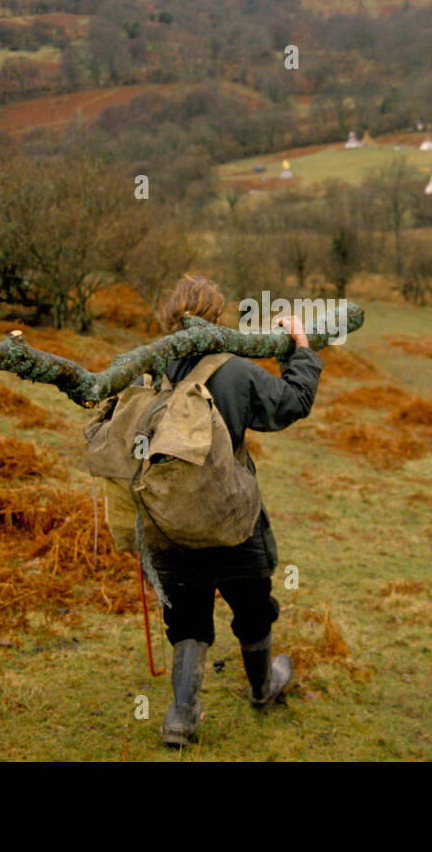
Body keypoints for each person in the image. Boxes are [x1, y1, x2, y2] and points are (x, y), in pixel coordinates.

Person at [151, 274, 323, 747]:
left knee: (186, 615)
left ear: (172, 316)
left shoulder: (150, 366)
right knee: (252, 607)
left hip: (169, 521)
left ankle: (181, 716)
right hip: (232, 518)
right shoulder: (234, 370)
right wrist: (300, 349)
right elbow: (292, 404)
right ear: (217, 318)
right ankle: (263, 688)